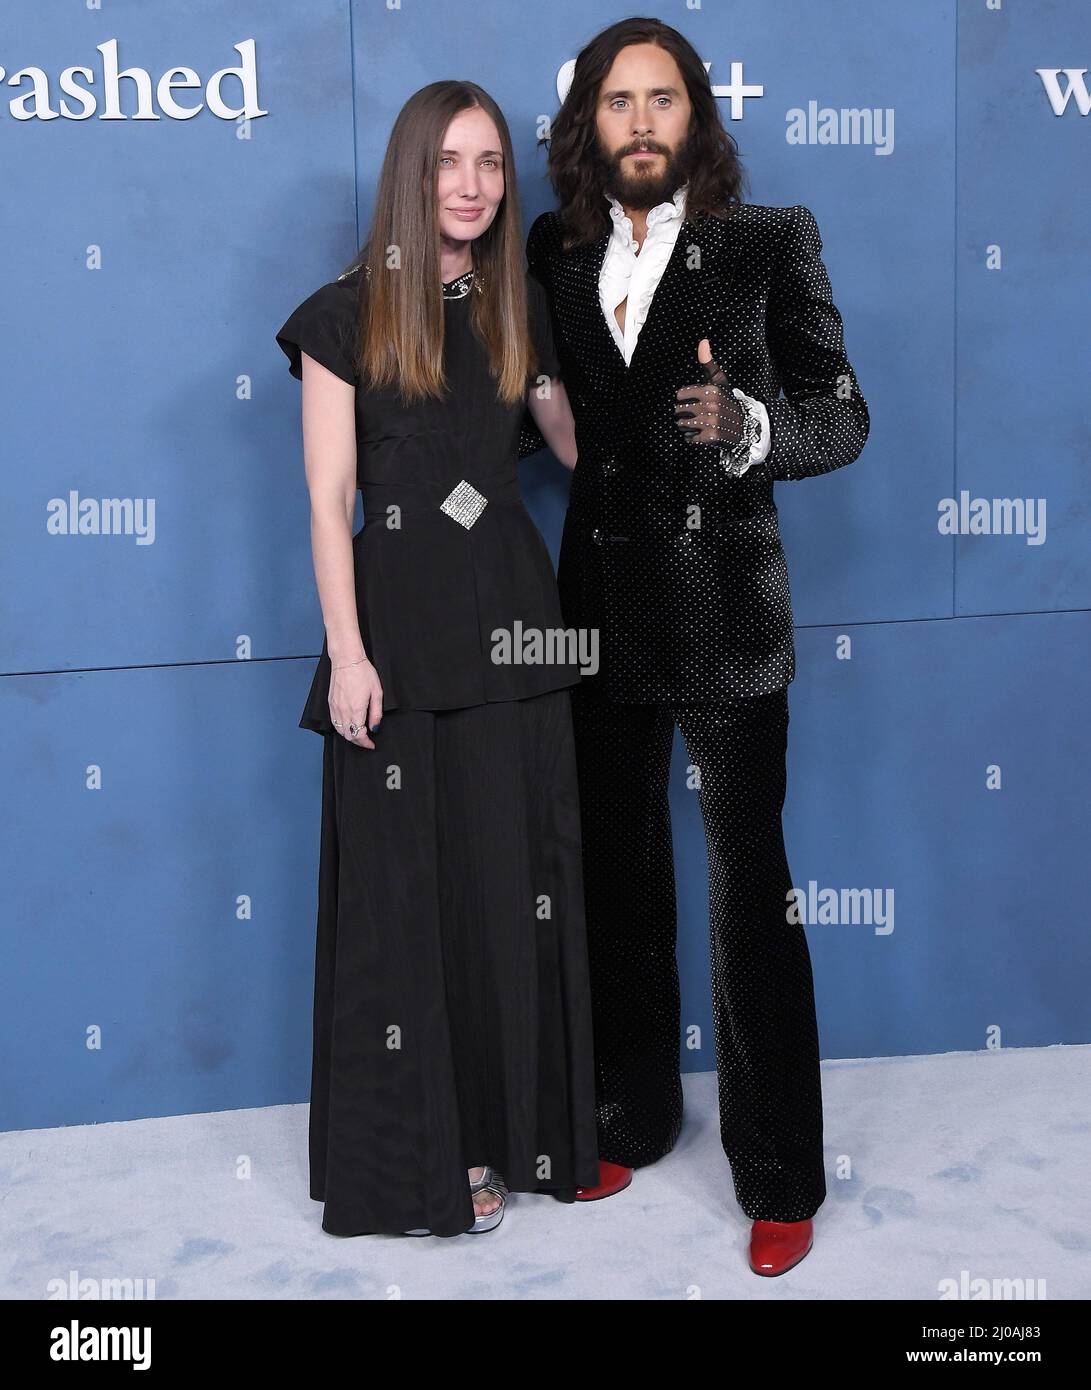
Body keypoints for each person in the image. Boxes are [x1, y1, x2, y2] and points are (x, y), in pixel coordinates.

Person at [523, 18, 870, 1274]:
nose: (639, 122)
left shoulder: (770, 240)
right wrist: (507, 408)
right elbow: (536, 413)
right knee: (617, 877)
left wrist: (746, 426)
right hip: (599, 612)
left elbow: (843, 418)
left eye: (660, 99)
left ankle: (778, 1174)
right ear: (588, 126)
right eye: (617, 102)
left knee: (746, 897)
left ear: (695, 115)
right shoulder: (552, 253)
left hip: (728, 612)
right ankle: (630, 1113)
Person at [275, 79, 600, 1238]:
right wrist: (347, 656)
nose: (470, 184)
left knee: (519, 886)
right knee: (409, 902)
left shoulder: (522, 308)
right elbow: (328, 506)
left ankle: (526, 1134)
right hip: (398, 637)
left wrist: (605, 369)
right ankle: (433, 1155)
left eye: (491, 164)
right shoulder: (341, 316)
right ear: (412, 176)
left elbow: (572, 444)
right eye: (448, 163)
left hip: (522, 622)